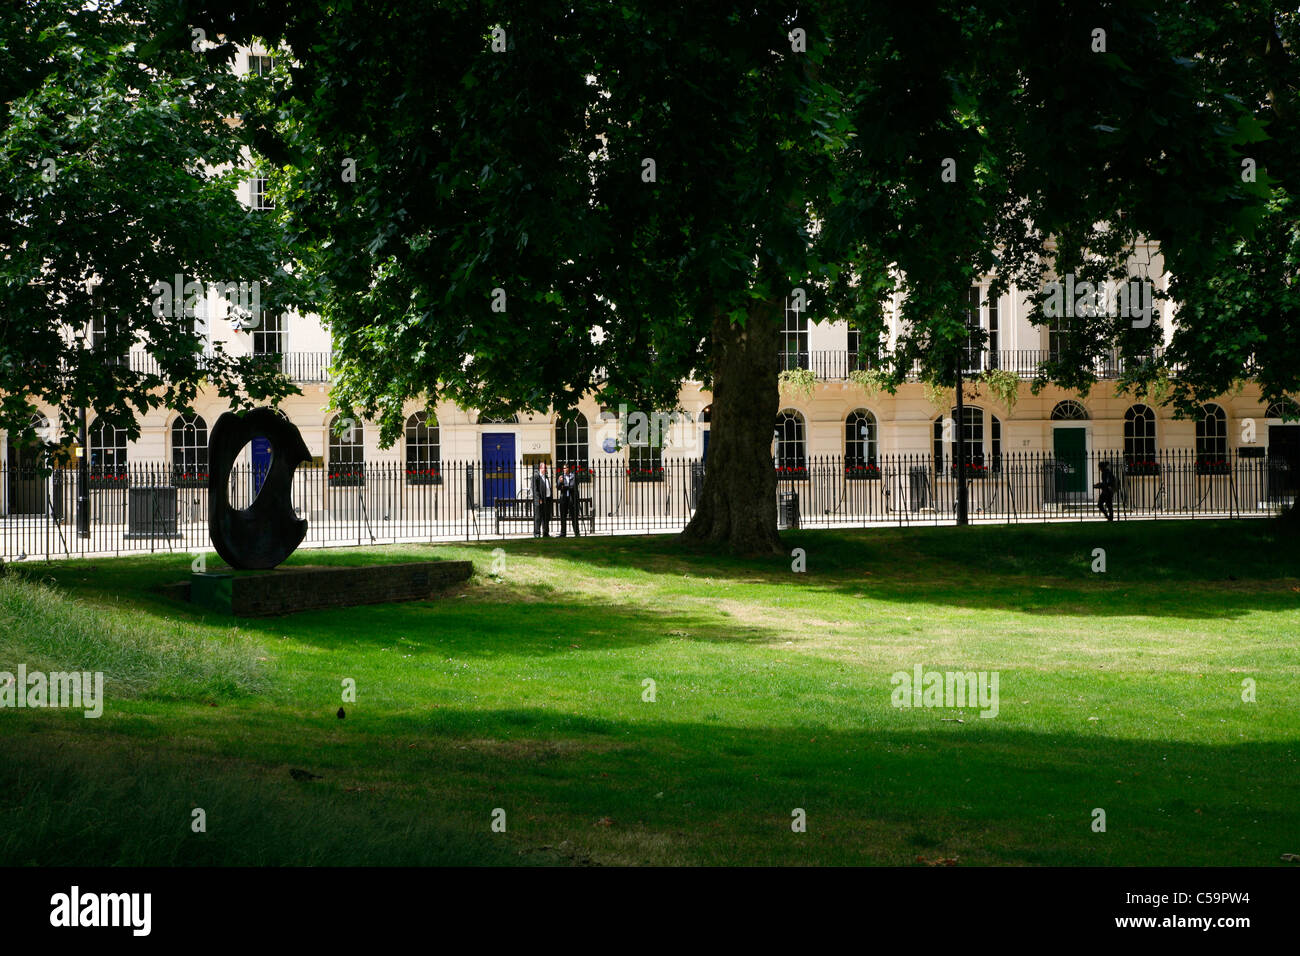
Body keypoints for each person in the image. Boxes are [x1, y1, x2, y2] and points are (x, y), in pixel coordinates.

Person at [558, 464, 582, 538]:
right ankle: (563, 533)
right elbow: (558, 487)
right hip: (564, 499)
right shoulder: (561, 476)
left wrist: (565, 487)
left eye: (566, 468)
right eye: (563, 468)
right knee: (563, 517)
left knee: (574, 516)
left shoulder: (574, 476)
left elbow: (574, 486)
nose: (564, 469)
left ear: (569, 468)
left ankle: (577, 533)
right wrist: (560, 481)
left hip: (572, 499)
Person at [532, 462, 552, 537]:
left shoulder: (546, 477)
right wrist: (539, 499)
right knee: (538, 517)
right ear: (540, 468)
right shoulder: (536, 476)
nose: (545, 469)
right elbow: (535, 490)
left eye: (546, 468)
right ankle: (537, 533)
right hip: (540, 501)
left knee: (546, 517)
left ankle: (545, 532)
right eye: (544, 467)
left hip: (547, 499)